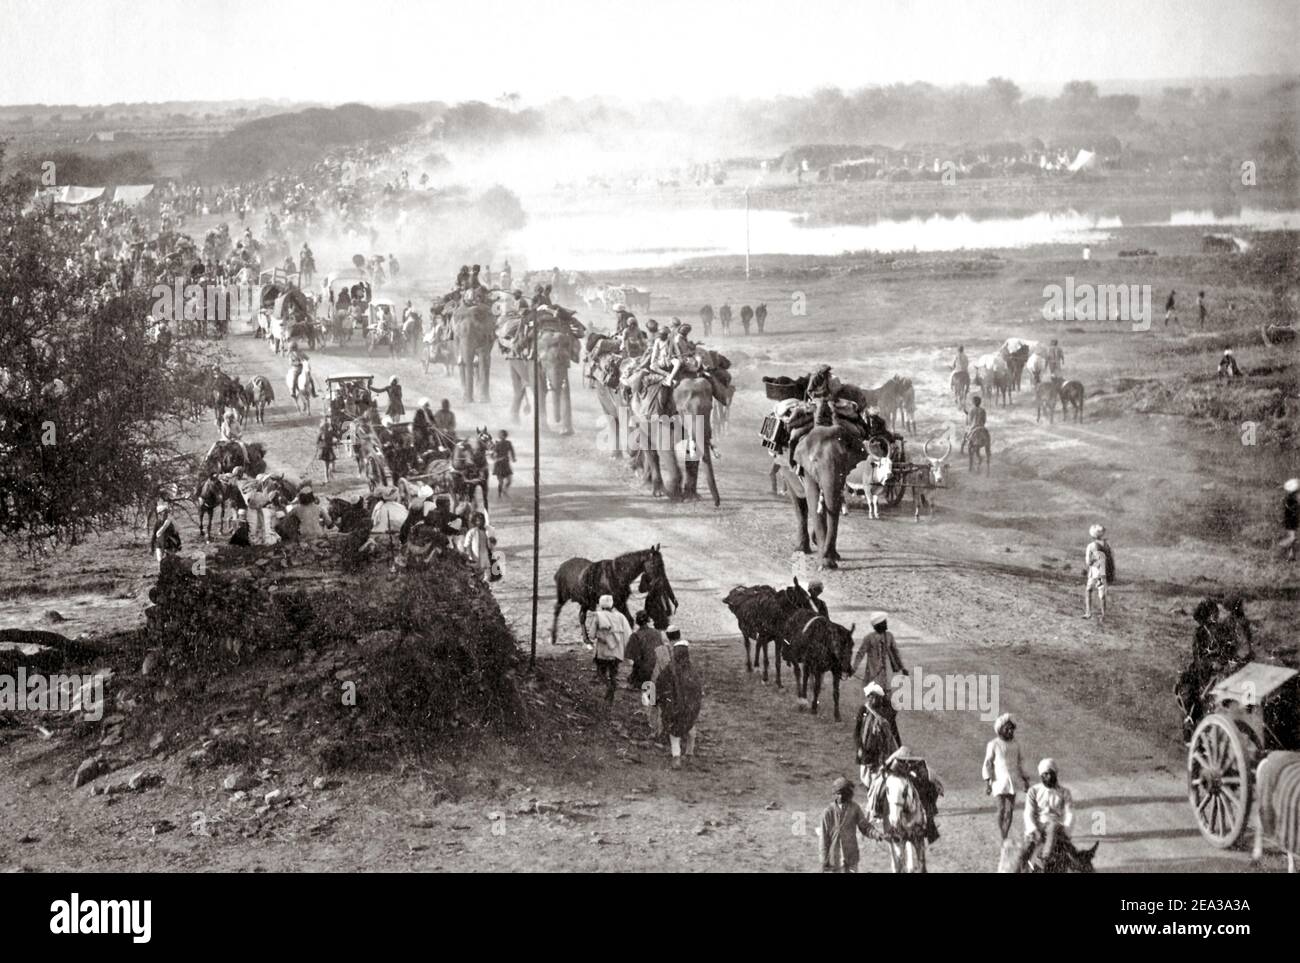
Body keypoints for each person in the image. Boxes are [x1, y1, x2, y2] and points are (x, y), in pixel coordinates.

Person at [852, 613, 907, 743]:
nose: (887, 624)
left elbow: (895, 652)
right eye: (884, 623)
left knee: (888, 710)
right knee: (875, 709)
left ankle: (890, 738)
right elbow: (860, 654)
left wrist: (902, 667)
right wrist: (853, 668)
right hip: (873, 681)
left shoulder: (889, 637)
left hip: (885, 681)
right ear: (878, 625)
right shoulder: (869, 639)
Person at [656, 631, 702, 769]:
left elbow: (659, 684)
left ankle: (676, 756)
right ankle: (690, 754)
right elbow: (698, 690)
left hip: (674, 707)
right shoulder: (693, 670)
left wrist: (658, 701)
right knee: (691, 729)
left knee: (674, 731)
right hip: (690, 708)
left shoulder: (669, 669)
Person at [1020, 758, 1075, 871]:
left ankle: (1044, 858)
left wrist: (1067, 831)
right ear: (1041, 776)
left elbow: (1070, 813)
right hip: (1037, 827)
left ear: (1056, 773)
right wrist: (1033, 829)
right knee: (1022, 855)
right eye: (1045, 774)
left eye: (1051, 773)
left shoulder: (1065, 792)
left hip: (1056, 827)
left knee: (1075, 859)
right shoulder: (1033, 791)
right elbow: (1028, 812)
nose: (1049, 777)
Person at [983, 713, 1031, 842]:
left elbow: (1021, 762)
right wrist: (988, 782)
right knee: (1001, 810)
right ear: (1000, 729)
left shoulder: (1016, 745)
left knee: (1009, 812)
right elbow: (988, 764)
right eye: (1007, 728)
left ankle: (1005, 835)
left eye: (1012, 728)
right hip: (999, 782)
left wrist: (1025, 780)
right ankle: (1002, 835)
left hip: (1013, 782)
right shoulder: (993, 744)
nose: (1010, 731)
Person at [819, 777, 874, 873]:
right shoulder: (828, 812)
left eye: (843, 794)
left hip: (851, 857)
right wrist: (824, 861)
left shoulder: (854, 808)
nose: (841, 797)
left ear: (849, 795)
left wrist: (877, 834)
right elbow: (823, 839)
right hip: (835, 860)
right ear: (835, 794)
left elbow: (865, 827)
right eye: (838, 794)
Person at [585, 595, 631, 705]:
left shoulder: (598, 616)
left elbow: (591, 635)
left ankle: (608, 687)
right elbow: (628, 634)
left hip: (602, 653)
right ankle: (611, 693)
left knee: (601, 673)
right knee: (613, 674)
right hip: (616, 653)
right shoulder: (621, 617)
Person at [855, 681, 899, 783]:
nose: (873, 699)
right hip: (867, 751)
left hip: (882, 751)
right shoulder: (863, 710)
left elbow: (892, 732)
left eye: (875, 697)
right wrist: (859, 747)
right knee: (866, 779)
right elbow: (857, 732)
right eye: (871, 696)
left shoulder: (886, 712)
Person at [624, 610, 663, 690]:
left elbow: (631, 658)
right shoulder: (657, 633)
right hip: (659, 670)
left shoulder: (635, 636)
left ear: (637, 622)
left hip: (644, 672)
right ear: (648, 620)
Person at [1084, 523, 1112, 622]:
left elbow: (1088, 562)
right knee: (1102, 593)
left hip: (1094, 572)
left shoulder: (1091, 546)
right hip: (1103, 572)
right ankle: (1103, 615)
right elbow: (1110, 560)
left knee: (1088, 590)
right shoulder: (1107, 546)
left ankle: (1088, 612)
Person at [460, 511, 493, 581]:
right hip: (475, 556)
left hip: (484, 555)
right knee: (475, 574)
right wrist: (469, 555)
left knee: (487, 574)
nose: (479, 522)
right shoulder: (472, 532)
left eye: (481, 520)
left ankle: (486, 585)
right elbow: (467, 545)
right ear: (474, 521)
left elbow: (490, 545)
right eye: (477, 520)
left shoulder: (486, 531)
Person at [491, 429, 516, 497]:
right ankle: (499, 495)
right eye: (500, 435)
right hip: (499, 465)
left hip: (506, 463)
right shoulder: (497, 444)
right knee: (501, 482)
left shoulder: (508, 443)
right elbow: (492, 455)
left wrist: (513, 458)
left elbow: (512, 451)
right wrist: (497, 458)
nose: (502, 436)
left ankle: (504, 491)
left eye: (503, 435)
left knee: (509, 480)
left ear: (505, 435)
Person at [1281, 478, 1299, 562]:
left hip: (1290, 520)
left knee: (1293, 538)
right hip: (1291, 521)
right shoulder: (1292, 500)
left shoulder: (1288, 499)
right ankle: (1282, 545)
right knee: (1292, 538)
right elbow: (1295, 509)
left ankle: (1291, 556)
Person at [316, 415, 338, 482]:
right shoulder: (321, 432)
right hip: (325, 450)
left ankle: (329, 475)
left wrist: (335, 442)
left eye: (327, 425)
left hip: (329, 449)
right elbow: (317, 441)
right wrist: (320, 446)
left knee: (330, 463)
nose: (326, 426)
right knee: (326, 465)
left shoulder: (329, 432)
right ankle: (326, 478)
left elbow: (336, 437)